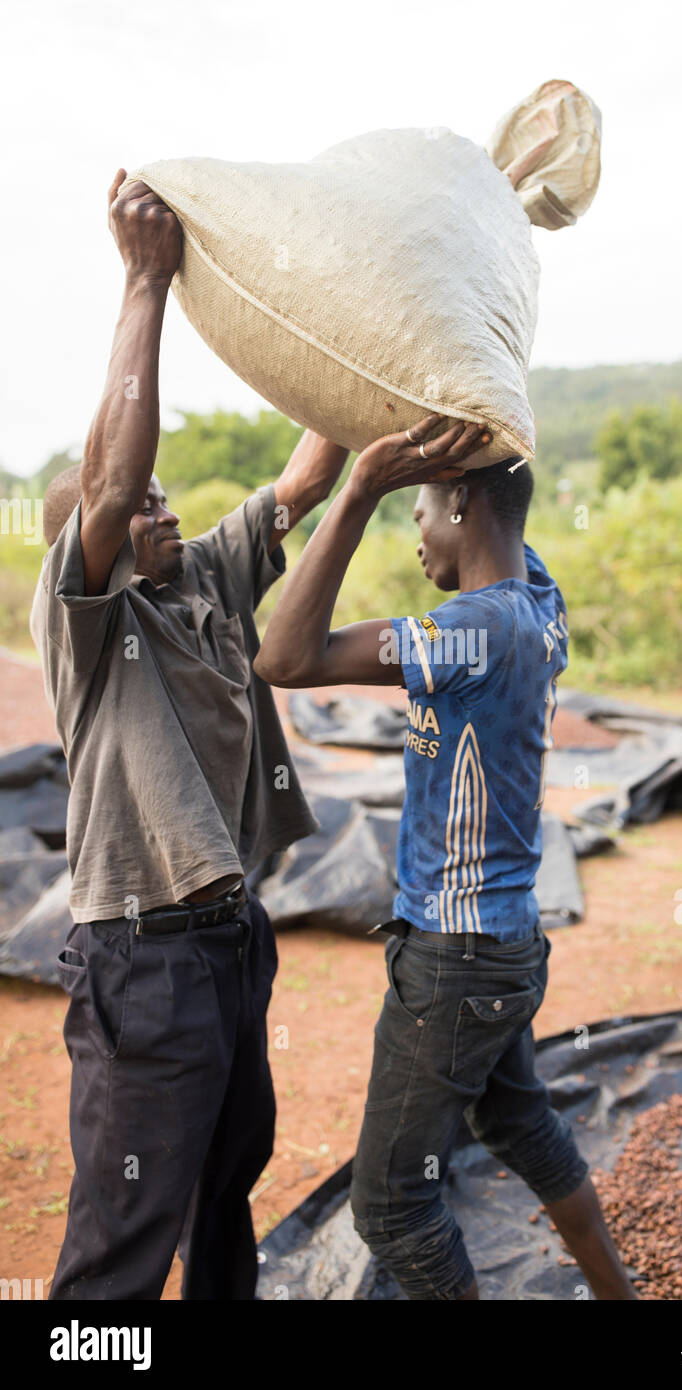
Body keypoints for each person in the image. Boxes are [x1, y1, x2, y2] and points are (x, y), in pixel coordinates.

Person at [31, 170, 350, 1300]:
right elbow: (108, 481)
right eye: (140, 507)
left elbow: (309, 471)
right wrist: (145, 280)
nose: (158, 509)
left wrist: (372, 349)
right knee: (126, 1235)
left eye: (167, 498)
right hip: (143, 956)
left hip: (227, 939)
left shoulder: (204, 577)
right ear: (95, 548)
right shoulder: (85, 621)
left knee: (225, 1189)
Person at [254, 414, 637, 1300]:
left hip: (455, 966)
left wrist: (356, 491)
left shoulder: (472, 633)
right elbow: (508, 528)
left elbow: (284, 656)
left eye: (418, 511)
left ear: (460, 502)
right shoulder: (541, 602)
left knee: (390, 1206)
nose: (416, 535)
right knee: (520, 1122)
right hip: (507, 947)